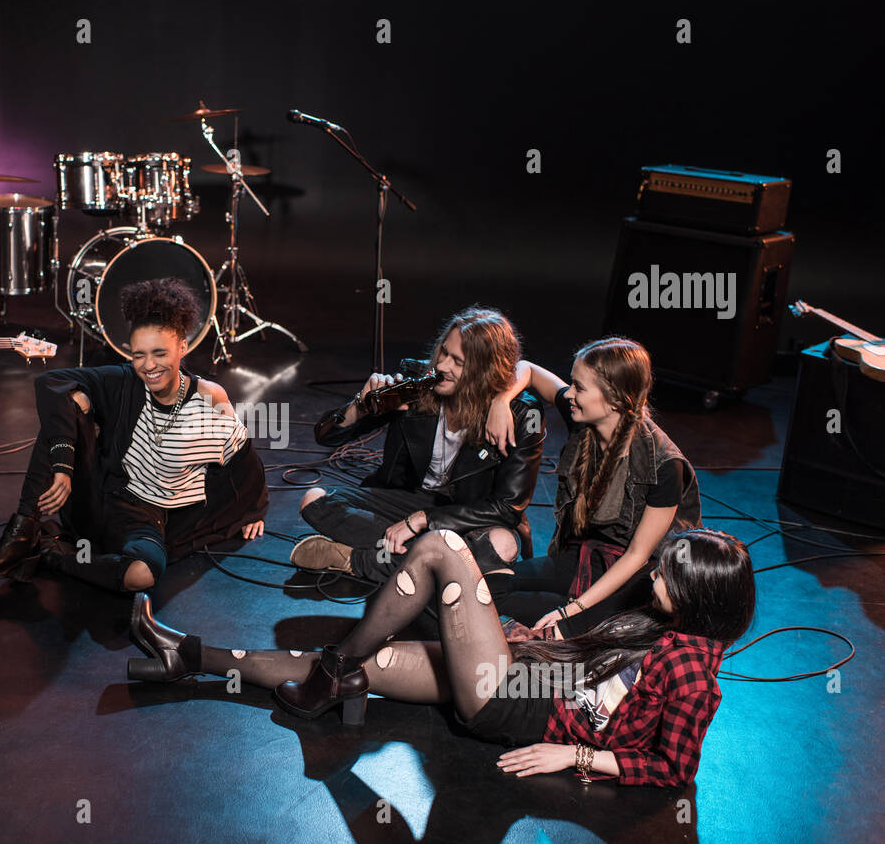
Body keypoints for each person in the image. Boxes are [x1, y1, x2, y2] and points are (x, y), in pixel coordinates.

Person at [125, 527, 754, 787]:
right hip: (519, 672)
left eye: (672, 575)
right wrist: (539, 645)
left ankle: (328, 676)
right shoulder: (658, 626)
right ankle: (192, 656)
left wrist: (580, 754)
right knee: (363, 665)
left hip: (511, 702)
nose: (654, 579)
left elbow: (676, 769)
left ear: (703, 596)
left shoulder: (695, 672)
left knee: (443, 549)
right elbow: (597, 676)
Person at [0, 277, 268, 592]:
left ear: (182, 346)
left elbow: (242, 460)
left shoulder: (210, 397)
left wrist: (253, 509)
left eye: (160, 354)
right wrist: (63, 466)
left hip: (142, 518)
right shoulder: (122, 380)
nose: (149, 366)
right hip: (93, 496)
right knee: (65, 405)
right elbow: (50, 383)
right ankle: (22, 531)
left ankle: (49, 555)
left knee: (142, 575)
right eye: (139, 355)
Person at [294, 306, 545, 583]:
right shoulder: (416, 384)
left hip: (467, 517)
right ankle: (441, 570)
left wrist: (423, 520)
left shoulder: (521, 415)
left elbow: (507, 508)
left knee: (503, 544)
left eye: (458, 362)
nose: (442, 366)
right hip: (408, 501)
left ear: (485, 371)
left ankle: (355, 560)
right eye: (444, 353)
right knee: (314, 500)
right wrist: (361, 405)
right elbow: (326, 436)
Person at [482, 336, 701, 638]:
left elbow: (637, 557)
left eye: (579, 388)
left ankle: (570, 630)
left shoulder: (664, 466)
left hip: (634, 583)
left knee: (553, 626)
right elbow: (528, 369)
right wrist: (501, 400)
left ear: (615, 399)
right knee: (486, 588)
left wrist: (571, 610)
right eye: (572, 383)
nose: (569, 393)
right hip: (586, 559)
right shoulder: (584, 422)